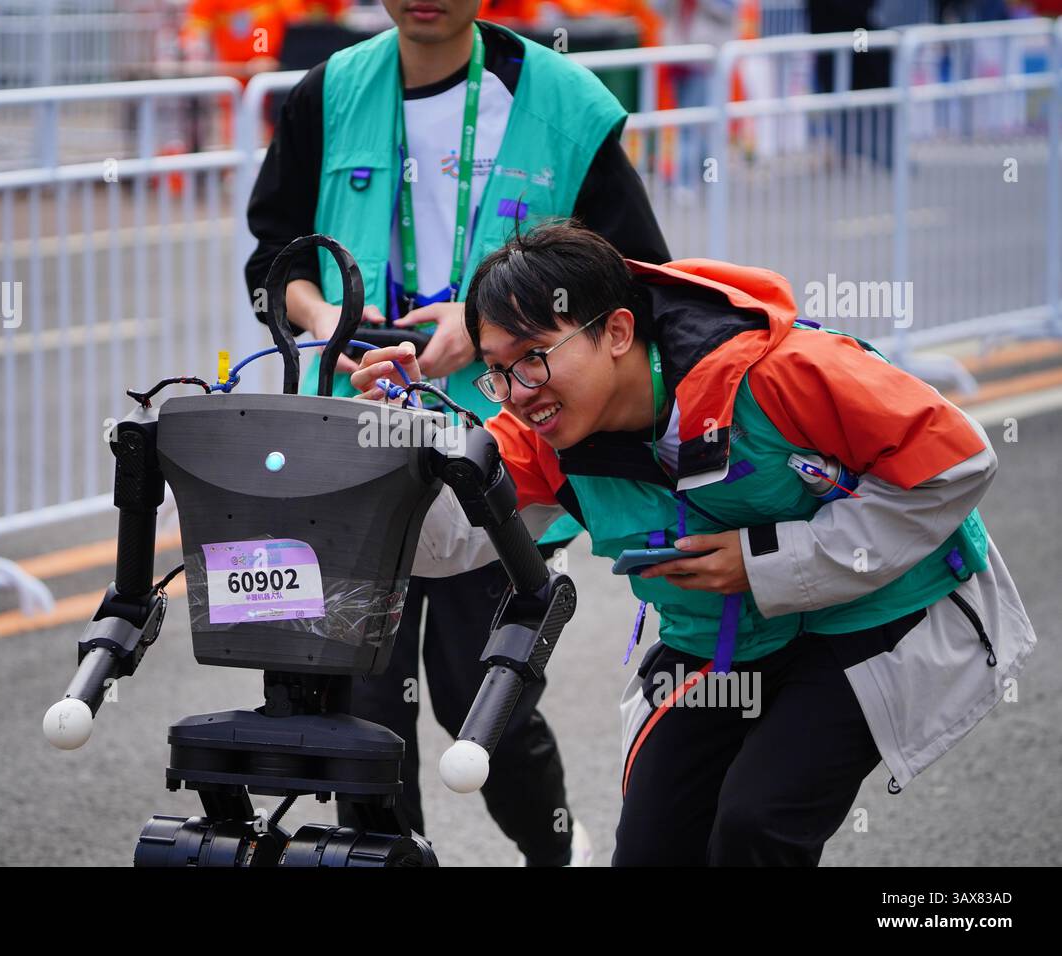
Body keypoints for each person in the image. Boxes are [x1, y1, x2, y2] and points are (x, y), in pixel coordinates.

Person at [350, 220, 1037, 865]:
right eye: (498, 372)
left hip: (878, 624)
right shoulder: (537, 437)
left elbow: (958, 464)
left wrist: (770, 559)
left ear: (617, 330)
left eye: (534, 357)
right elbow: (442, 542)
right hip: (718, 645)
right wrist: (392, 448)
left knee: (754, 823)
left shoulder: (782, 370)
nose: (519, 391)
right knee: (653, 848)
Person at [243, 0, 671, 865]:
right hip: (354, 442)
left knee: (481, 697)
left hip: (507, 447)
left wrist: (486, 335)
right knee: (362, 705)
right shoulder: (326, 92)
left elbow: (637, 282)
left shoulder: (565, 103)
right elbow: (271, 257)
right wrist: (328, 317)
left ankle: (554, 850)